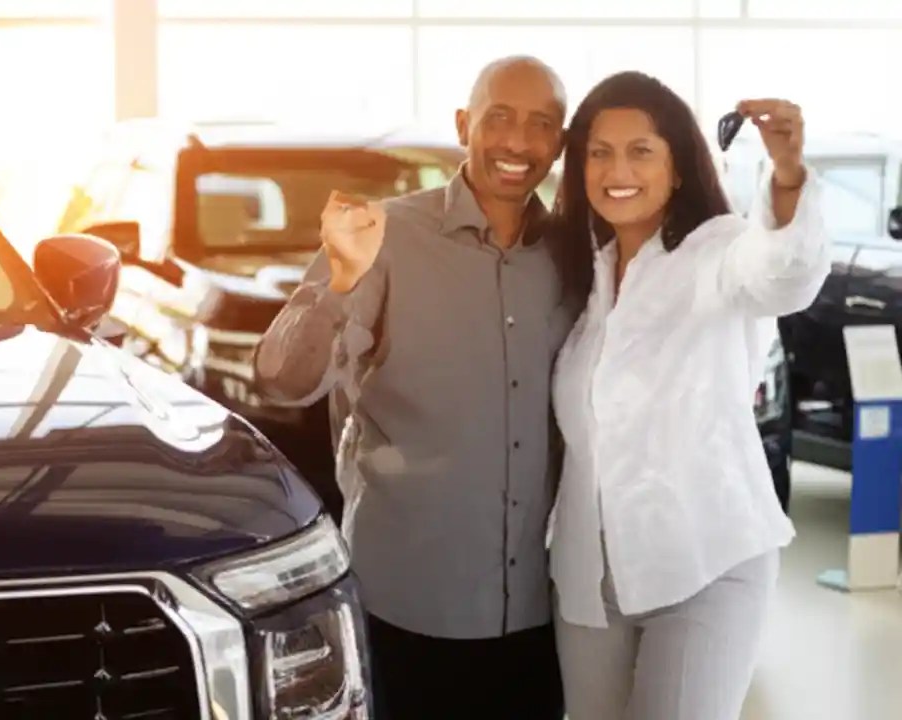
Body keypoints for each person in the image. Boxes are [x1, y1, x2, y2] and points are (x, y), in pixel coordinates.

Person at [252, 55, 574, 719]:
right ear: (463, 125)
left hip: (538, 615)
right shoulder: (384, 235)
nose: (518, 142)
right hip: (405, 606)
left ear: (560, 142)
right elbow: (284, 382)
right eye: (499, 117)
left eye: (541, 124)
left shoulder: (570, 255)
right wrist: (336, 286)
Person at [547, 70, 830, 720]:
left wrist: (787, 177)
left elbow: (783, 274)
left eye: (641, 151)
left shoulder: (716, 253)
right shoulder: (583, 271)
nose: (618, 170)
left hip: (705, 560)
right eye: (599, 152)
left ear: (677, 169)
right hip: (590, 573)